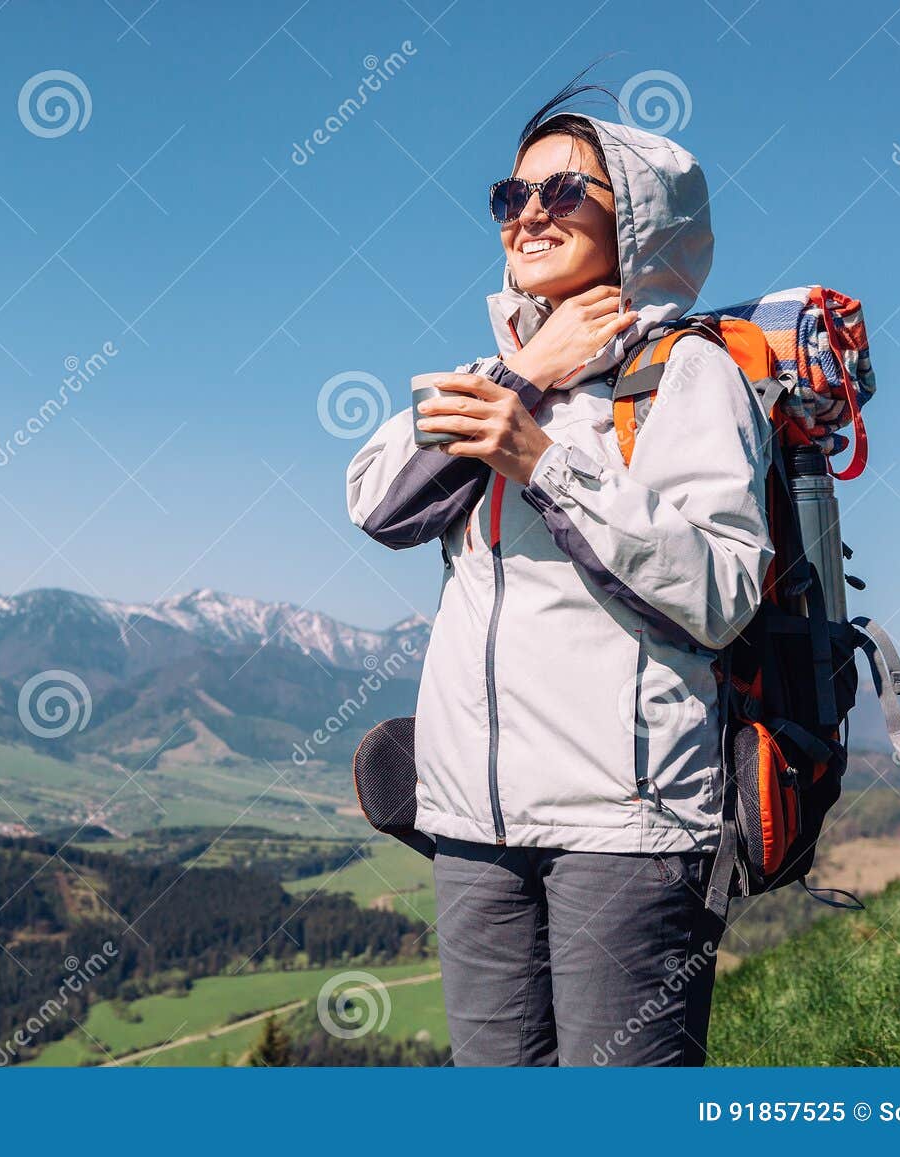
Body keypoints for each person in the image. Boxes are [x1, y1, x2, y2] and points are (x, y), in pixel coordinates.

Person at [345, 85, 773, 1066]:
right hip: (468, 816)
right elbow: (379, 504)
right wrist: (525, 376)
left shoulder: (687, 372)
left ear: (637, 215)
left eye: (564, 190)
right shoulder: (487, 375)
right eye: (510, 194)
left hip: (627, 823)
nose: (529, 211)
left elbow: (717, 591)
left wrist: (540, 455)